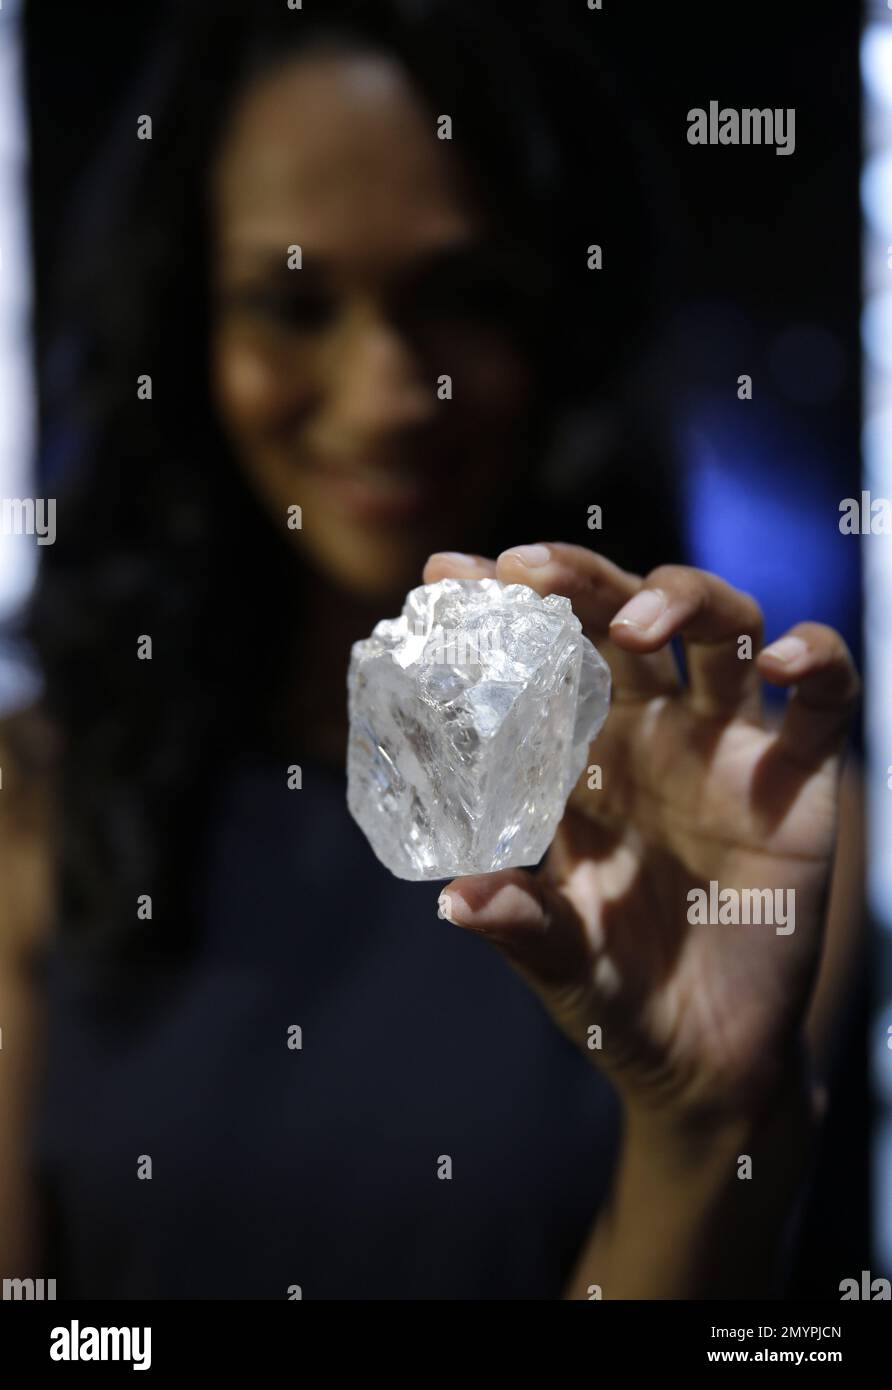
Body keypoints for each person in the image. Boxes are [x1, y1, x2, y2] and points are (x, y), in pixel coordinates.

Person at [0, 0, 861, 1299]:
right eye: (293, 304)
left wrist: (705, 1129)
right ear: (187, 329)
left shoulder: (738, 833)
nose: (388, 394)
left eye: (456, 296)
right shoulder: (34, 805)